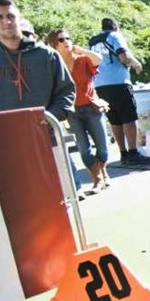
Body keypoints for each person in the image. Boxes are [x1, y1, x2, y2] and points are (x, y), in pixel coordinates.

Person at [0, 0, 74, 122]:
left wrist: (50, 118)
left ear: (19, 17)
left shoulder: (47, 55)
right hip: (2, 131)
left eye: (10, 16)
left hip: (45, 129)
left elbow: (66, 91)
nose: (6, 21)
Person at [47, 28, 111, 191]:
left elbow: (98, 59)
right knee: (83, 148)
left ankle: (102, 170)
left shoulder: (82, 59)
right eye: (61, 40)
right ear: (54, 45)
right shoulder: (54, 66)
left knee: (102, 146)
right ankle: (97, 178)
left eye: (68, 38)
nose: (66, 41)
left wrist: (81, 50)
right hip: (72, 111)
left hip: (92, 107)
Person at [89, 17, 150, 166]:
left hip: (100, 85)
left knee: (114, 120)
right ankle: (133, 153)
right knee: (128, 119)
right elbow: (124, 56)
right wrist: (136, 64)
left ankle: (123, 154)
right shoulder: (114, 36)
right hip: (118, 83)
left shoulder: (92, 42)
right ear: (115, 26)